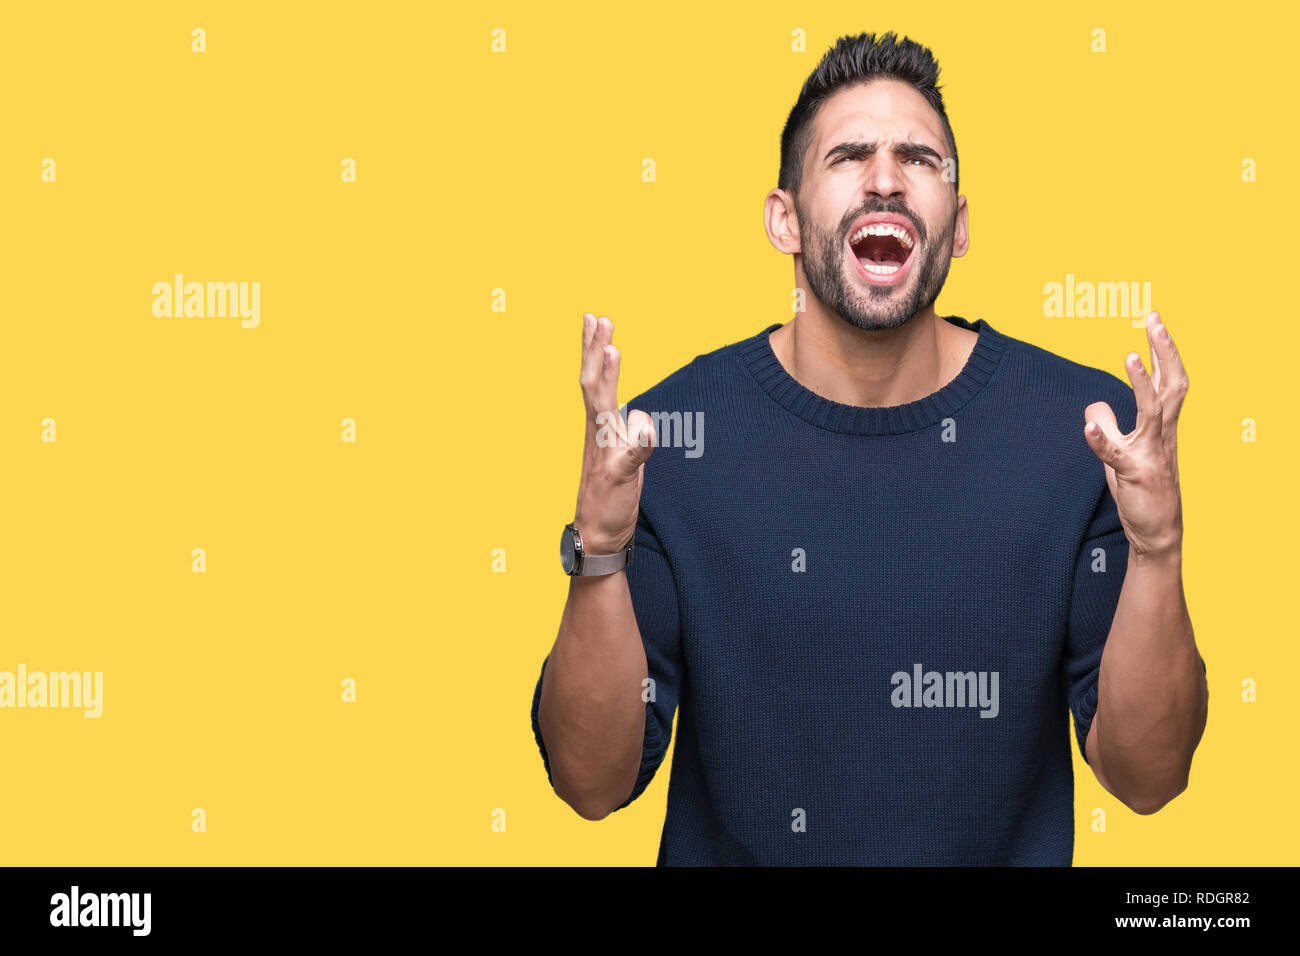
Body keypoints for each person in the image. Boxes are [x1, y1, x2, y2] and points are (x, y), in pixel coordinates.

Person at [530, 31, 1208, 865]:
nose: (885, 179)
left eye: (918, 159)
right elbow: (589, 784)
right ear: (784, 218)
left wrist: (1157, 547)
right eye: (849, 155)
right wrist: (599, 549)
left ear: (957, 229)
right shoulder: (666, 440)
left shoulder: (1084, 435)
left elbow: (1149, 777)